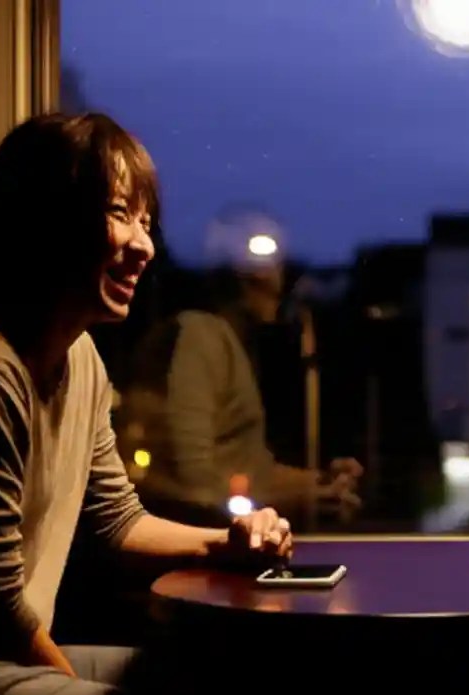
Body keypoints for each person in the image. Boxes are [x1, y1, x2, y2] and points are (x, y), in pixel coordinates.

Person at [0, 112, 292, 695]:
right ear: (45, 219)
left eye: (147, 222)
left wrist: (227, 544)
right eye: (118, 214)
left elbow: (116, 522)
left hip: (7, 655)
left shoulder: (78, 359)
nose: (144, 245)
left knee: (232, 679)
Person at [116, 202, 361, 530]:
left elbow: (245, 471)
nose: (277, 275)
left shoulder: (229, 344)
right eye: (267, 259)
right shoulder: (198, 337)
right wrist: (293, 504)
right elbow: (188, 478)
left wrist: (318, 482)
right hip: (195, 559)